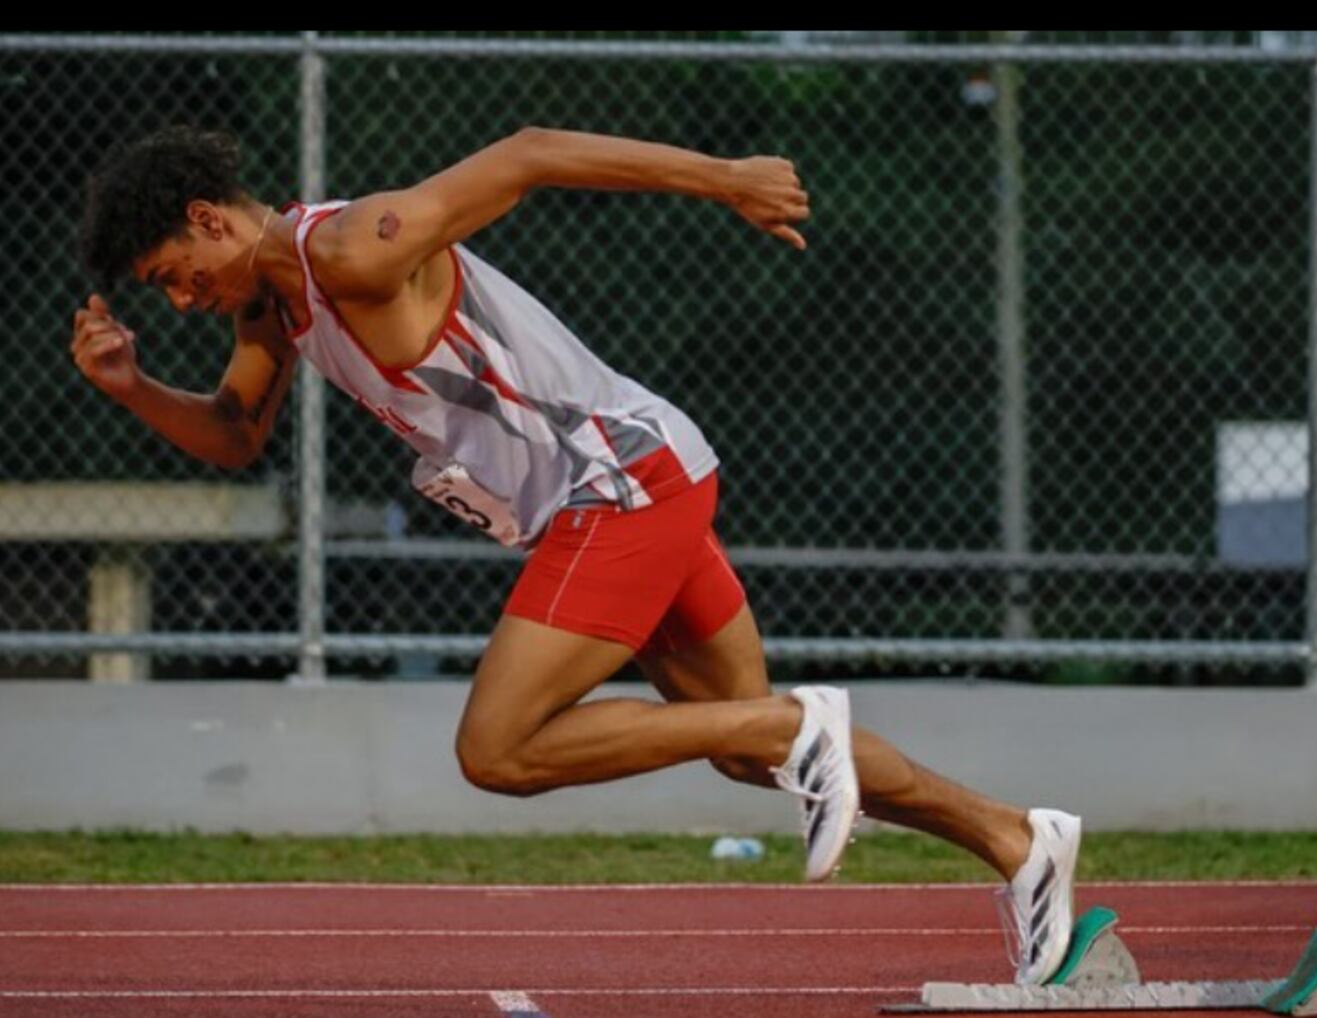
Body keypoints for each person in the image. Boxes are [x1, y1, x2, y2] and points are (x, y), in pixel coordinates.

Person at [72, 125, 1082, 983]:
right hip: (632, 487)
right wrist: (129, 387)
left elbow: (529, 154)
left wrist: (725, 179)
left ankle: (798, 720)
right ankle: (1013, 837)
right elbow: (235, 433)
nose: (180, 302)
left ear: (209, 219)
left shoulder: (350, 250)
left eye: (174, 276)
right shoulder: (275, 304)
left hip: (616, 481)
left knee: (499, 749)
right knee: (741, 747)